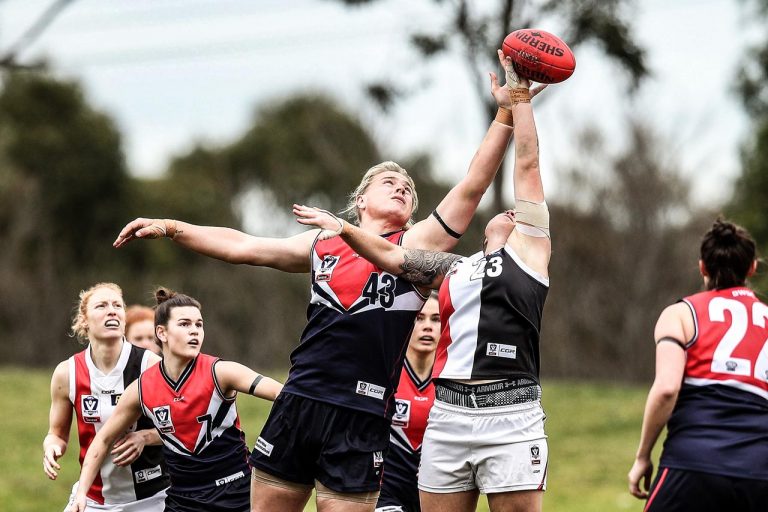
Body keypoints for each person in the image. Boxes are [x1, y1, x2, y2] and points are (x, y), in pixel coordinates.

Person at [111, 50, 545, 512]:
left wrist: (504, 109)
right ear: (359, 200)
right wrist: (174, 227)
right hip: (300, 400)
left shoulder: (414, 247)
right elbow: (243, 246)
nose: (401, 187)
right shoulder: (319, 244)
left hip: (360, 417)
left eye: (408, 189)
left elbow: (472, 186)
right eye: (389, 182)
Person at [294, 50, 552, 512]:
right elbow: (393, 255)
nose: (509, 213)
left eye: (517, 212)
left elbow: (527, 168)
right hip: (449, 414)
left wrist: (520, 100)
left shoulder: (531, 254)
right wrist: (344, 228)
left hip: (510, 412)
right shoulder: (453, 269)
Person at [69, 287, 283, 512]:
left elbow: (284, 396)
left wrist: (270, 448)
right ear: (161, 333)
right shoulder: (142, 388)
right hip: (182, 501)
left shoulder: (222, 372)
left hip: (236, 494)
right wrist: (82, 493)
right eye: (184, 324)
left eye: (199, 325)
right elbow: (102, 440)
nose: (195, 331)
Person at [628, 219, 768, 512]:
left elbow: (667, 389)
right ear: (752, 268)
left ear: (703, 267)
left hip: (691, 465)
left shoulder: (680, 314)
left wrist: (643, 456)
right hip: (759, 471)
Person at [43, 282, 169, 512]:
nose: (111, 310)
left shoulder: (151, 365)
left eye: (117, 305)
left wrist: (144, 437)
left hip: (153, 496)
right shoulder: (67, 373)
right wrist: (51, 447)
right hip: (92, 497)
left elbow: (182, 427)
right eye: (101, 306)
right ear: (84, 320)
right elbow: (57, 434)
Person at [376, 293, 439, 512]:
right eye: (419, 318)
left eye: (436, 319)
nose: (427, 327)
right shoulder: (384, 372)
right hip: (386, 490)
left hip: (437, 490)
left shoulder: (453, 380)